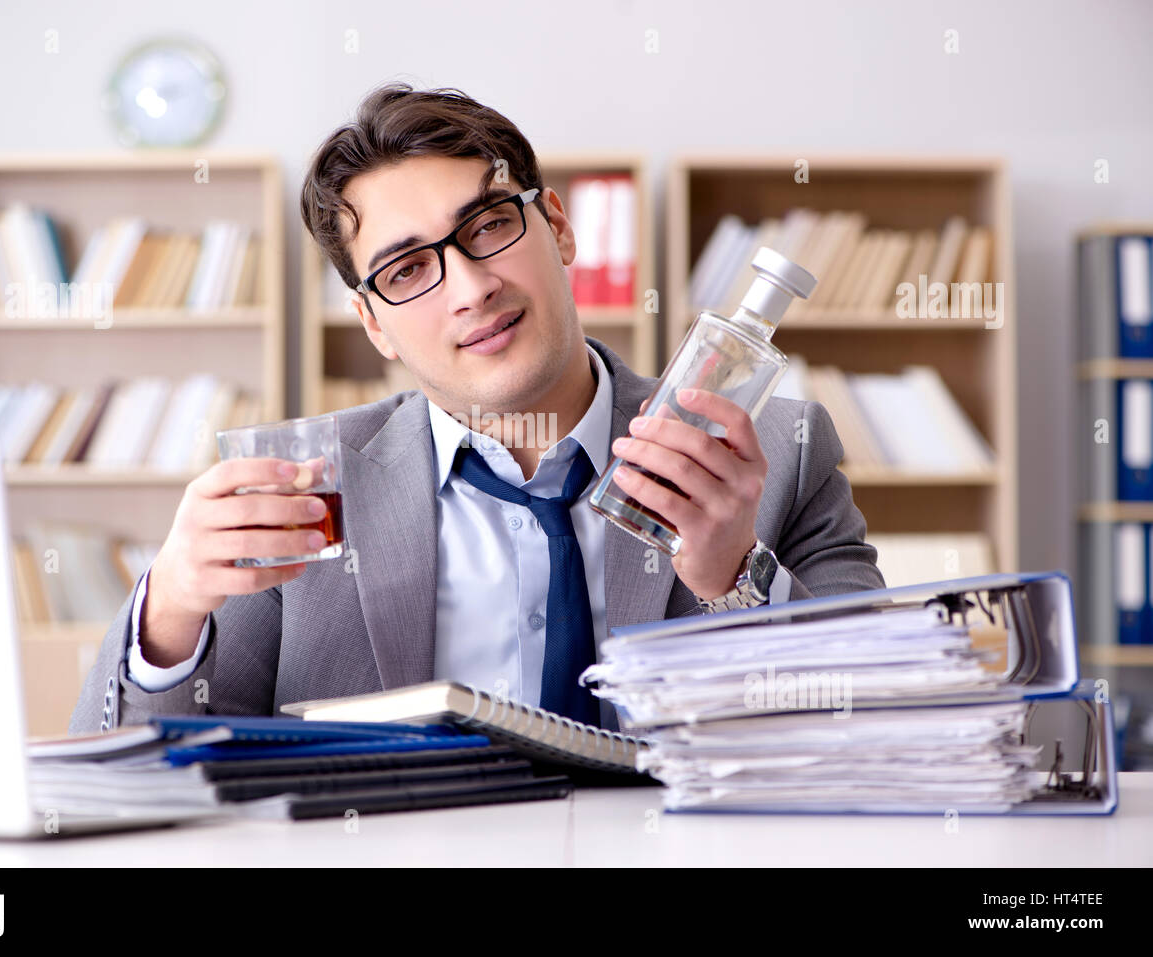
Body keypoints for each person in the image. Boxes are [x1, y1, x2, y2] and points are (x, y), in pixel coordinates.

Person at [70, 82, 885, 735]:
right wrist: (170, 608)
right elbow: (145, 764)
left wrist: (734, 578)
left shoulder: (783, 449)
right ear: (372, 322)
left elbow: (889, 719)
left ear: (558, 228)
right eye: (404, 272)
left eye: (489, 226)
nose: (470, 288)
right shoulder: (299, 491)